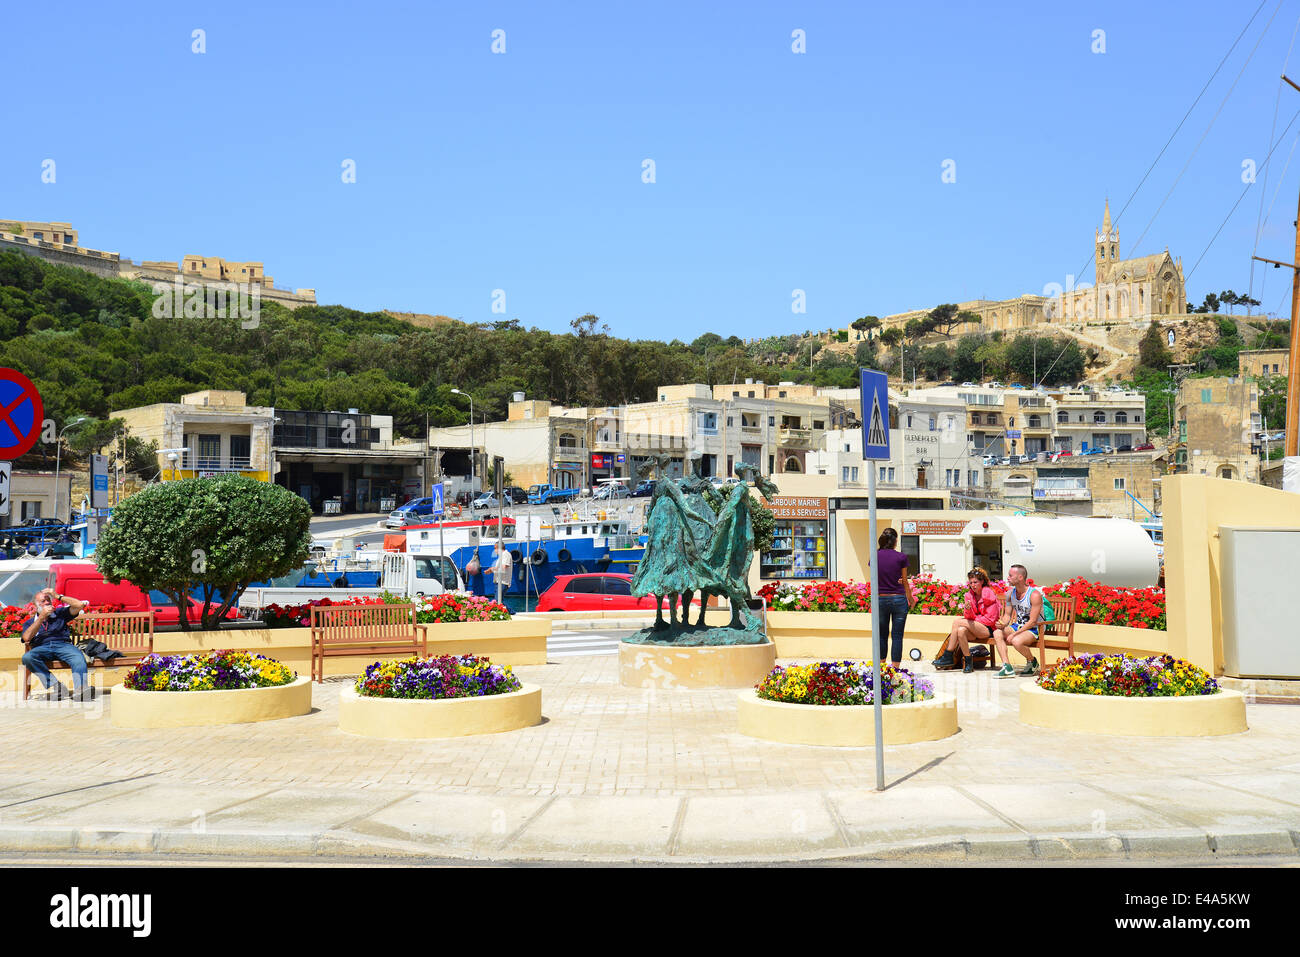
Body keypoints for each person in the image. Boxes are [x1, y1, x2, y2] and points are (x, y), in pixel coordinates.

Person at [20, 588, 92, 700]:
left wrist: (57, 596)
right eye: (43, 601)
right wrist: (41, 618)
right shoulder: (30, 622)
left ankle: (81, 688)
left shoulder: (60, 613)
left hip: (63, 645)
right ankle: (56, 686)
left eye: (48, 599)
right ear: (36, 606)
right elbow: (26, 638)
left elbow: (79, 605)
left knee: (77, 657)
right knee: (27, 657)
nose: (47, 602)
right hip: (42, 648)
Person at [934, 567, 1002, 674]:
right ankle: (968, 661)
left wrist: (975, 619)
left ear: (982, 582)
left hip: (988, 630)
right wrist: (968, 609)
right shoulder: (969, 595)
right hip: (975, 628)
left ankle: (948, 654)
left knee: (957, 622)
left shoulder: (989, 595)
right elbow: (968, 617)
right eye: (971, 582)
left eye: (975, 582)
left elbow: (991, 619)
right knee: (961, 630)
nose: (973, 585)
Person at [870, 527, 914, 669]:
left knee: (882, 635)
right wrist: (910, 598)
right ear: (895, 540)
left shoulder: (874, 556)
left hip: (880, 599)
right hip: (898, 599)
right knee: (897, 636)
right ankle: (895, 669)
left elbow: (874, 578)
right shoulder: (901, 557)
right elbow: (905, 580)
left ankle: (881, 669)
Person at [992, 563, 1044, 678]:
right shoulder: (1010, 594)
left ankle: (1032, 662)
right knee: (997, 632)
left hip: (1033, 629)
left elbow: (1033, 622)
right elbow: (1007, 615)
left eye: (1010, 575)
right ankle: (1007, 667)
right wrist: (1002, 624)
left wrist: (1014, 634)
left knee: (1016, 641)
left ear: (1020, 577)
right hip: (1018, 626)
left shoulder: (1034, 595)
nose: (1007, 578)